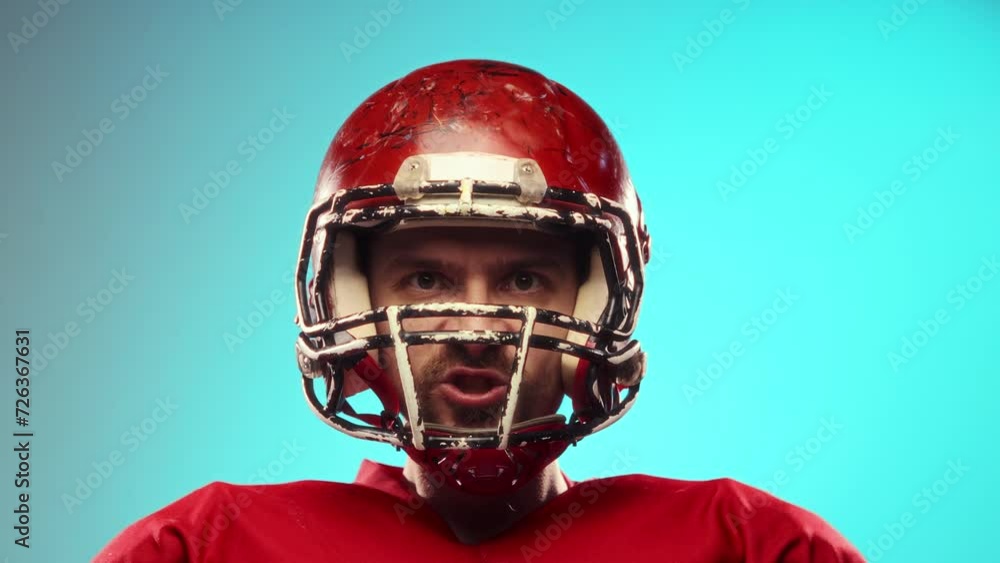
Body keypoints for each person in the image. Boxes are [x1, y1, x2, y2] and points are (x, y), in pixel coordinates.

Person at [95, 59, 864, 562]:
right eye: (426, 276)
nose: (475, 326)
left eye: (526, 279)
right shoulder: (206, 546)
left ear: (593, 303)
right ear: (352, 298)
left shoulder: (745, 545)